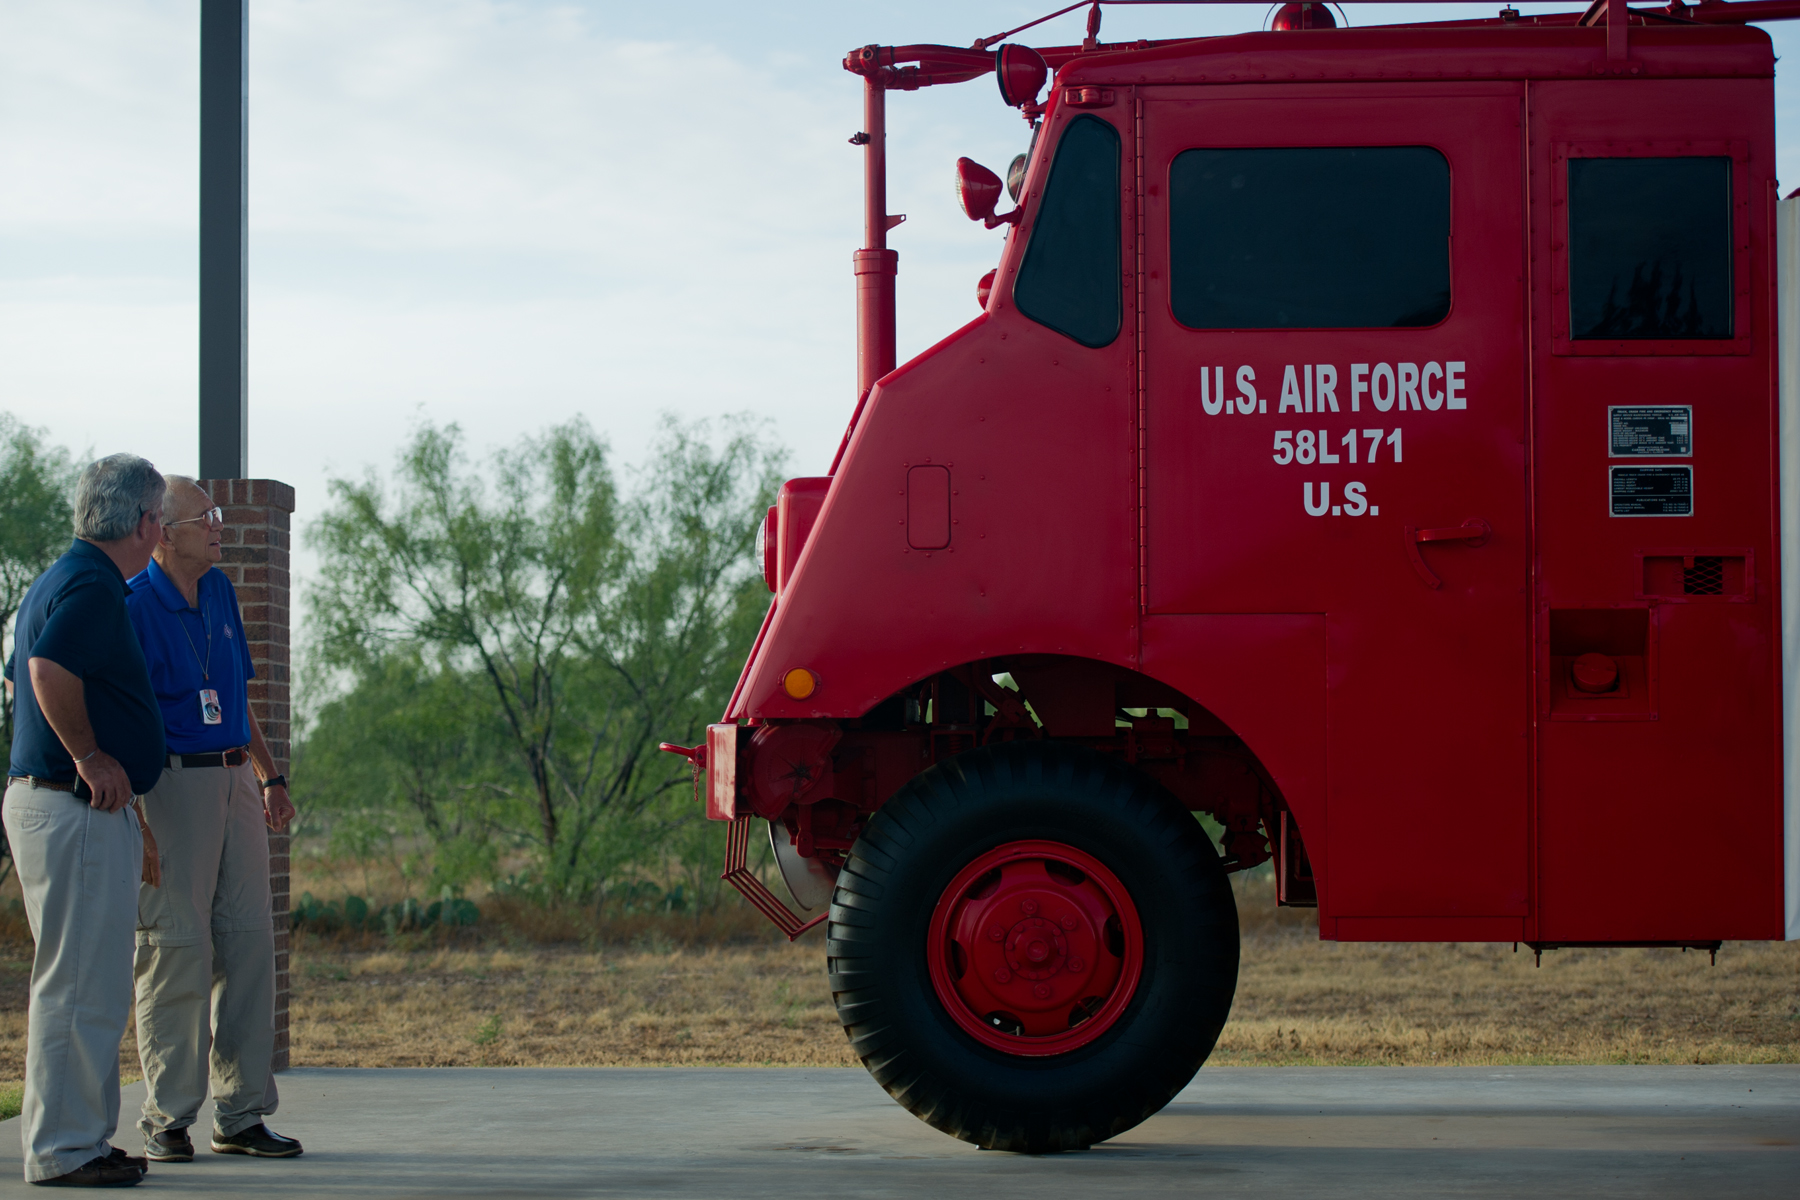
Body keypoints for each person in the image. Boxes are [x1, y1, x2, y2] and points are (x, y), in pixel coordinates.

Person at [125, 476, 301, 1163]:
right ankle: (167, 1118)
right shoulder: (133, 604)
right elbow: (121, 713)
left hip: (236, 780)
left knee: (249, 943)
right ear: (165, 533)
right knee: (177, 949)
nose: (219, 525)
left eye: (219, 513)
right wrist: (138, 814)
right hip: (172, 784)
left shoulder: (221, 590)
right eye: (207, 516)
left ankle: (243, 1113)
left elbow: (233, 695)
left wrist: (269, 776)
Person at [3, 454, 167, 1188]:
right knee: (77, 987)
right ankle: (64, 1151)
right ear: (144, 523)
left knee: (89, 984)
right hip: (72, 805)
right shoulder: (93, 586)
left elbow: (20, 672)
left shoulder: (64, 577)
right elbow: (44, 672)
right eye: (161, 517)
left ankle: (83, 1141)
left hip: (66, 807)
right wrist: (91, 756)